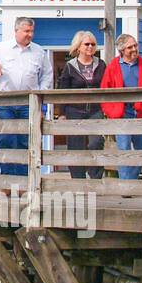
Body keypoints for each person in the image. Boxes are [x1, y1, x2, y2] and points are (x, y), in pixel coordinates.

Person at [0, 17, 54, 176]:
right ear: (16, 31)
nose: (30, 34)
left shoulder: (39, 51)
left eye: (32, 31)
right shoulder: (1, 48)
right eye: (26, 31)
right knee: (6, 140)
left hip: (29, 102)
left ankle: (24, 181)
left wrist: (39, 94)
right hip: (5, 101)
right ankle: (7, 181)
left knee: (26, 141)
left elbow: (47, 75)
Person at [100, 35, 142, 179]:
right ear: (121, 50)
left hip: (140, 113)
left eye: (135, 45)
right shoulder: (113, 66)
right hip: (122, 113)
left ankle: (130, 180)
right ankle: (126, 185)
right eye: (130, 47)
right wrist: (111, 112)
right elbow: (104, 91)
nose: (134, 49)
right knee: (124, 149)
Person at [56, 31, 106, 178]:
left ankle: (95, 178)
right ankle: (78, 180)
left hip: (96, 110)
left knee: (96, 143)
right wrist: (62, 113)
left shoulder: (101, 64)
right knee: (76, 146)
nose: (90, 47)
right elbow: (62, 91)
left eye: (93, 44)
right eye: (87, 44)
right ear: (79, 46)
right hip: (74, 111)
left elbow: (107, 86)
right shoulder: (70, 66)